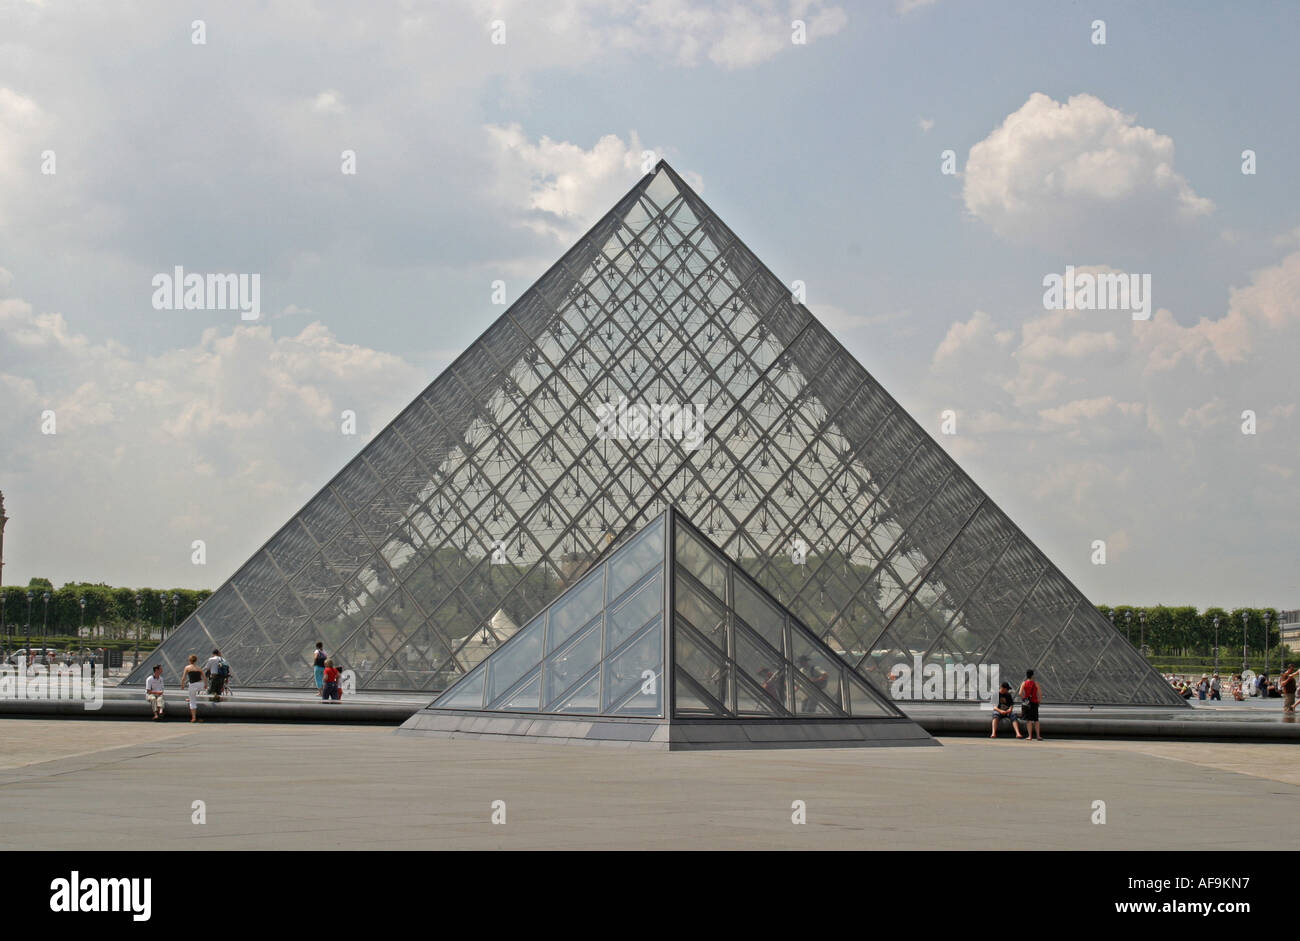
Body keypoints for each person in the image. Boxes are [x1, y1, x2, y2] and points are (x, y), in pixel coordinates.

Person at [1018, 669, 1043, 741]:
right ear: (1032, 675)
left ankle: (1030, 736)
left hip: (1027, 703)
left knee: (1028, 720)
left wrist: (1025, 698)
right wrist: (1039, 701)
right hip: (1034, 702)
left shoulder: (1024, 683)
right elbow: (1040, 694)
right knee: (1036, 719)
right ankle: (1038, 736)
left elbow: (1020, 693)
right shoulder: (1036, 683)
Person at [181, 655, 205, 722]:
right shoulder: (199, 668)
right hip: (200, 684)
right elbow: (204, 677)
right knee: (192, 694)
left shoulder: (187, 667)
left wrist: (182, 685)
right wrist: (205, 685)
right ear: (196, 660)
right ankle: (191, 696)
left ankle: (193, 718)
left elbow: (183, 678)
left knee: (192, 701)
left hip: (193, 685)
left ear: (189, 660)